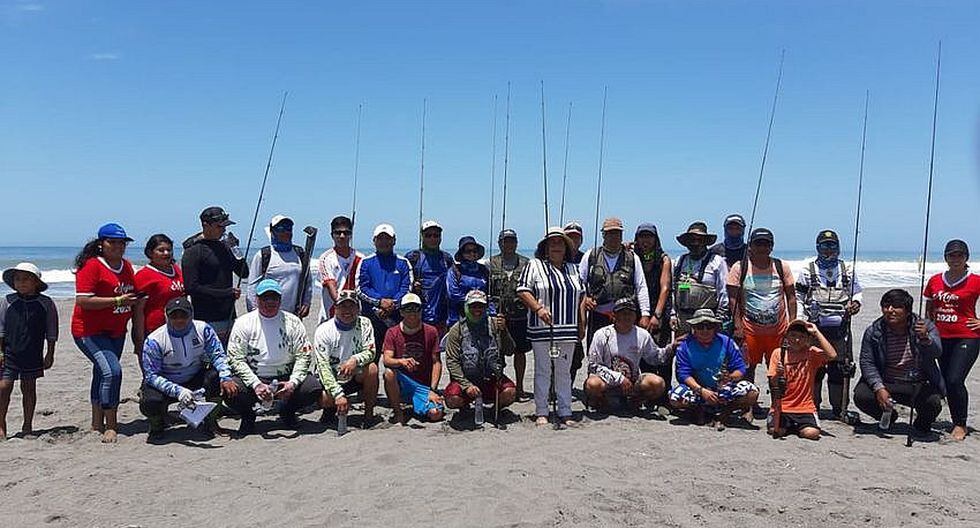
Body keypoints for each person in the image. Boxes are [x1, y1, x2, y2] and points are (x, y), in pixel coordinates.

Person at [223, 279, 319, 436]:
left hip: (285, 376)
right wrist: (256, 384)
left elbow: (304, 356)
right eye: (265, 298)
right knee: (229, 390)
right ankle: (248, 416)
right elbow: (235, 359)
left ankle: (287, 411)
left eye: (274, 298)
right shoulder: (243, 323)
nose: (270, 302)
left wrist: (292, 383)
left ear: (280, 300)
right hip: (255, 376)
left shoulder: (293, 322)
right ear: (257, 299)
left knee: (313, 387)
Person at [139, 297, 237, 442]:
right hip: (167, 381)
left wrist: (226, 377)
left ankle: (210, 421)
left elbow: (218, 355)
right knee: (149, 401)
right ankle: (157, 426)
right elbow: (151, 376)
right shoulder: (154, 340)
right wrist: (179, 391)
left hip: (194, 376)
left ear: (191, 315)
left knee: (216, 378)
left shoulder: (203, 329)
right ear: (166, 316)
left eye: (183, 315)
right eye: (174, 316)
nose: (179, 320)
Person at [853, 289, 945, 438]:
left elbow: (937, 352)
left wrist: (926, 339)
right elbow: (867, 362)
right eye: (886, 306)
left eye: (896, 306)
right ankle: (890, 416)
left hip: (916, 382)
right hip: (887, 381)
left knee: (933, 403)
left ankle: (921, 424)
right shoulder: (874, 331)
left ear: (907, 310)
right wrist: (879, 388)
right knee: (862, 396)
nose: (890, 311)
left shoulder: (924, 327)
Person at [517, 227, 585, 426]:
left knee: (564, 371)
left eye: (560, 242)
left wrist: (582, 323)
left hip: (568, 329)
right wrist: (538, 309)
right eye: (552, 242)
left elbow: (582, 296)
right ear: (545, 247)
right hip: (542, 329)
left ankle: (565, 411)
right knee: (543, 370)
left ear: (566, 247)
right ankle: (542, 411)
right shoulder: (535, 265)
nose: (556, 246)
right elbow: (522, 290)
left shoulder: (574, 269)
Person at [727, 227, 795, 419]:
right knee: (748, 368)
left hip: (778, 329)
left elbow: (791, 297)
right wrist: (738, 325)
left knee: (778, 369)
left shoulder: (782, 267)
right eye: (758, 243)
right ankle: (748, 406)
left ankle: (777, 406)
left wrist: (793, 323)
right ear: (750, 246)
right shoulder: (739, 268)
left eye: (766, 243)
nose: (762, 247)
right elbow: (733, 299)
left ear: (772, 247)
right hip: (750, 329)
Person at [795, 229, 863, 421]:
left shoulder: (847, 269)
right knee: (815, 370)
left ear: (838, 248)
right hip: (815, 329)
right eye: (825, 246)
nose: (828, 250)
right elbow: (799, 297)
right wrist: (801, 320)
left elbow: (856, 291)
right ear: (818, 247)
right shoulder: (808, 270)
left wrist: (856, 303)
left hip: (841, 330)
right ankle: (812, 406)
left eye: (832, 246)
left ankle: (839, 409)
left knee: (840, 369)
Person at [579, 218, 651, 382]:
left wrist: (645, 313)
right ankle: (597, 390)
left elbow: (641, 286)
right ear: (603, 234)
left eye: (617, 233)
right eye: (610, 233)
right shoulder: (591, 255)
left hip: (624, 316)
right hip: (598, 316)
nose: (614, 237)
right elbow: (579, 283)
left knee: (624, 353)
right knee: (597, 354)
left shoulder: (632, 258)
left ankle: (627, 388)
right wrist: (586, 298)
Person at [923, 239, 980, 441]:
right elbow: (929, 309)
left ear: (966, 258)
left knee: (956, 379)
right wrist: (927, 329)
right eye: (951, 255)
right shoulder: (935, 280)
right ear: (946, 257)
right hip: (940, 337)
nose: (955, 259)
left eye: (959, 255)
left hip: (967, 336)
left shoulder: (975, 280)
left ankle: (960, 423)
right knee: (945, 381)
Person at [668, 309, 759, 427]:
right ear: (693, 327)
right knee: (674, 398)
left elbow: (740, 369)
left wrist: (730, 377)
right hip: (698, 388)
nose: (705, 330)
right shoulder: (684, 346)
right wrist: (702, 391)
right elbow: (683, 374)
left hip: (723, 388)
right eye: (700, 326)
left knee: (752, 393)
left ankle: (726, 412)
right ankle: (698, 410)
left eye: (709, 326)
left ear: (715, 327)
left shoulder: (727, 342)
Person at [0, 263, 57, 440]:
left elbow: (51, 330)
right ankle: (1, 425)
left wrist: (50, 353)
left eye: (26, 279)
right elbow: (0, 329)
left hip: (32, 353)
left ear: (36, 282)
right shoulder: (7, 301)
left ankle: (27, 425)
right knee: (3, 388)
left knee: (29, 389)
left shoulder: (45, 303)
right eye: (17, 279)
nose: (21, 282)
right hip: (9, 352)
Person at [584, 298, 672, 412]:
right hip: (607, 381)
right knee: (592, 384)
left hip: (632, 382)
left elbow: (655, 358)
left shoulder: (642, 335)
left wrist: (672, 348)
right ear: (614, 316)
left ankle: (634, 401)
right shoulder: (601, 334)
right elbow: (593, 366)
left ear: (635, 316)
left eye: (630, 313)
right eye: (622, 313)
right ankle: (604, 402)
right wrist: (619, 378)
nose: (626, 317)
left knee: (658, 383)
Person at [181, 206, 248, 347]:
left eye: (225, 226)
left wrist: (235, 248)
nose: (223, 230)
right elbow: (191, 288)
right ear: (206, 225)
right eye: (219, 226)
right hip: (205, 317)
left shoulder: (225, 247)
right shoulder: (193, 251)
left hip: (229, 316)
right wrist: (226, 293)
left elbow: (244, 273)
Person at [312, 290, 380, 427]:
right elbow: (322, 367)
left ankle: (368, 414)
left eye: (351, 306)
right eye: (343, 306)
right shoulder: (323, 330)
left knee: (372, 369)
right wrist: (338, 395)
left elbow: (371, 351)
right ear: (335, 308)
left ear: (358, 308)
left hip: (354, 374)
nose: (347, 310)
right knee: (325, 400)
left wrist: (354, 360)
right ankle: (330, 409)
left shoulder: (365, 323)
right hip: (330, 377)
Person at [443, 290, 515, 420]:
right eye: (473, 306)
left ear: (486, 308)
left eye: (481, 306)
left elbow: (510, 350)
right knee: (452, 399)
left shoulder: (495, 324)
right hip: (466, 380)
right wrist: (466, 385)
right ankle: (464, 407)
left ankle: (495, 410)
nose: (477, 310)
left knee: (510, 393)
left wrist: (504, 332)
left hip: (492, 379)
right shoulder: (456, 329)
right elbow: (452, 362)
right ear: (466, 307)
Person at [766, 320, 838, 440]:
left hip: (805, 407)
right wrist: (778, 374)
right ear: (787, 336)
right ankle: (791, 426)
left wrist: (816, 332)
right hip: (782, 406)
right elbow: (773, 383)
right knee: (776, 431)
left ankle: (798, 427)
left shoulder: (811, 353)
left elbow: (832, 355)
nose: (797, 340)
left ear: (807, 339)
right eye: (793, 335)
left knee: (812, 434)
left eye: (801, 337)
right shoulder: (778, 353)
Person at [382, 293, 444, 424]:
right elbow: (386, 360)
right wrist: (401, 361)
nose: (412, 313)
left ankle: (419, 403)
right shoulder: (392, 332)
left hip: (422, 384)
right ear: (401, 312)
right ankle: (398, 411)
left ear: (421, 311)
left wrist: (432, 389)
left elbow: (436, 362)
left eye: (416, 309)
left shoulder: (431, 331)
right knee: (389, 373)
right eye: (407, 309)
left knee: (435, 414)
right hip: (403, 380)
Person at [356, 223, 413, 357]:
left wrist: (392, 305)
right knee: (370, 360)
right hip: (372, 320)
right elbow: (361, 288)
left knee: (397, 360)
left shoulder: (403, 262)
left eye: (387, 238)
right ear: (374, 241)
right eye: (380, 238)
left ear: (394, 240)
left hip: (397, 319)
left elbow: (406, 288)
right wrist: (379, 302)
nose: (384, 242)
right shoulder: (366, 262)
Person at [488, 229, 532, 400]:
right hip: (499, 317)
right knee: (497, 353)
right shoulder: (491, 263)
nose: (509, 244)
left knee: (520, 353)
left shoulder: (526, 263)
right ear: (499, 243)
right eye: (505, 241)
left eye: (512, 240)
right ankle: (499, 386)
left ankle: (520, 388)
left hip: (521, 316)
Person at [246, 214, 313, 317]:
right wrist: (254, 312)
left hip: (293, 314)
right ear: (273, 231)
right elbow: (252, 286)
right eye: (281, 229)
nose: (286, 232)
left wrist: (306, 303)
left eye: (289, 229)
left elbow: (307, 281)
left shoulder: (300, 253)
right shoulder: (264, 255)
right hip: (267, 314)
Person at [672, 222, 729, 335]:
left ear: (705, 242)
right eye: (692, 239)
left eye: (699, 239)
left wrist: (719, 319)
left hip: (706, 324)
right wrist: (672, 314)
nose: (695, 242)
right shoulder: (679, 261)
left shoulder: (717, 262)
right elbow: (672, 291)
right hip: (682, 321)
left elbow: (724, 292)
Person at [132, 234, 185, 359]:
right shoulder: (144, 275)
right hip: (154, 330)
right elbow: (137, 311)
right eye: (161, 250)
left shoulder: (176, 270)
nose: (166, 253)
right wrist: (139, 341)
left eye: (169, 250)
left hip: (178, 329)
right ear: (150, 253)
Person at [404, 220, 453, 334]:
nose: (432, 239)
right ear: (422, 237)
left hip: (442, 315)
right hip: (417, 314)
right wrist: (412, 285)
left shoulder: (447, 258)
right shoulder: (413, 257)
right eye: (428, 235)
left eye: (436, 235)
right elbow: (402, 282)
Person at [316, 215, 364, 323]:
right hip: (331, 313)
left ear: (351, 235)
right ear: (332, 235)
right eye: (338, 233)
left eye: (346, 233)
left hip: (354, 314)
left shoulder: (360, 258)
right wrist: (343, 306)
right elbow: (330, 285)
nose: (342, 236)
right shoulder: (325, 258)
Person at [447, 236, 492, 326]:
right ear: (462, 253)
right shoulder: (455, 270)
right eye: (468, 251)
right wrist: (474, 301)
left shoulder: (483, 269)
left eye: (474, 251)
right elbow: (453, 294)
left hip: (481, 316)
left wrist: (492, 313)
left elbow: (489, 293)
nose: (472, 253)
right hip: (459, 317)